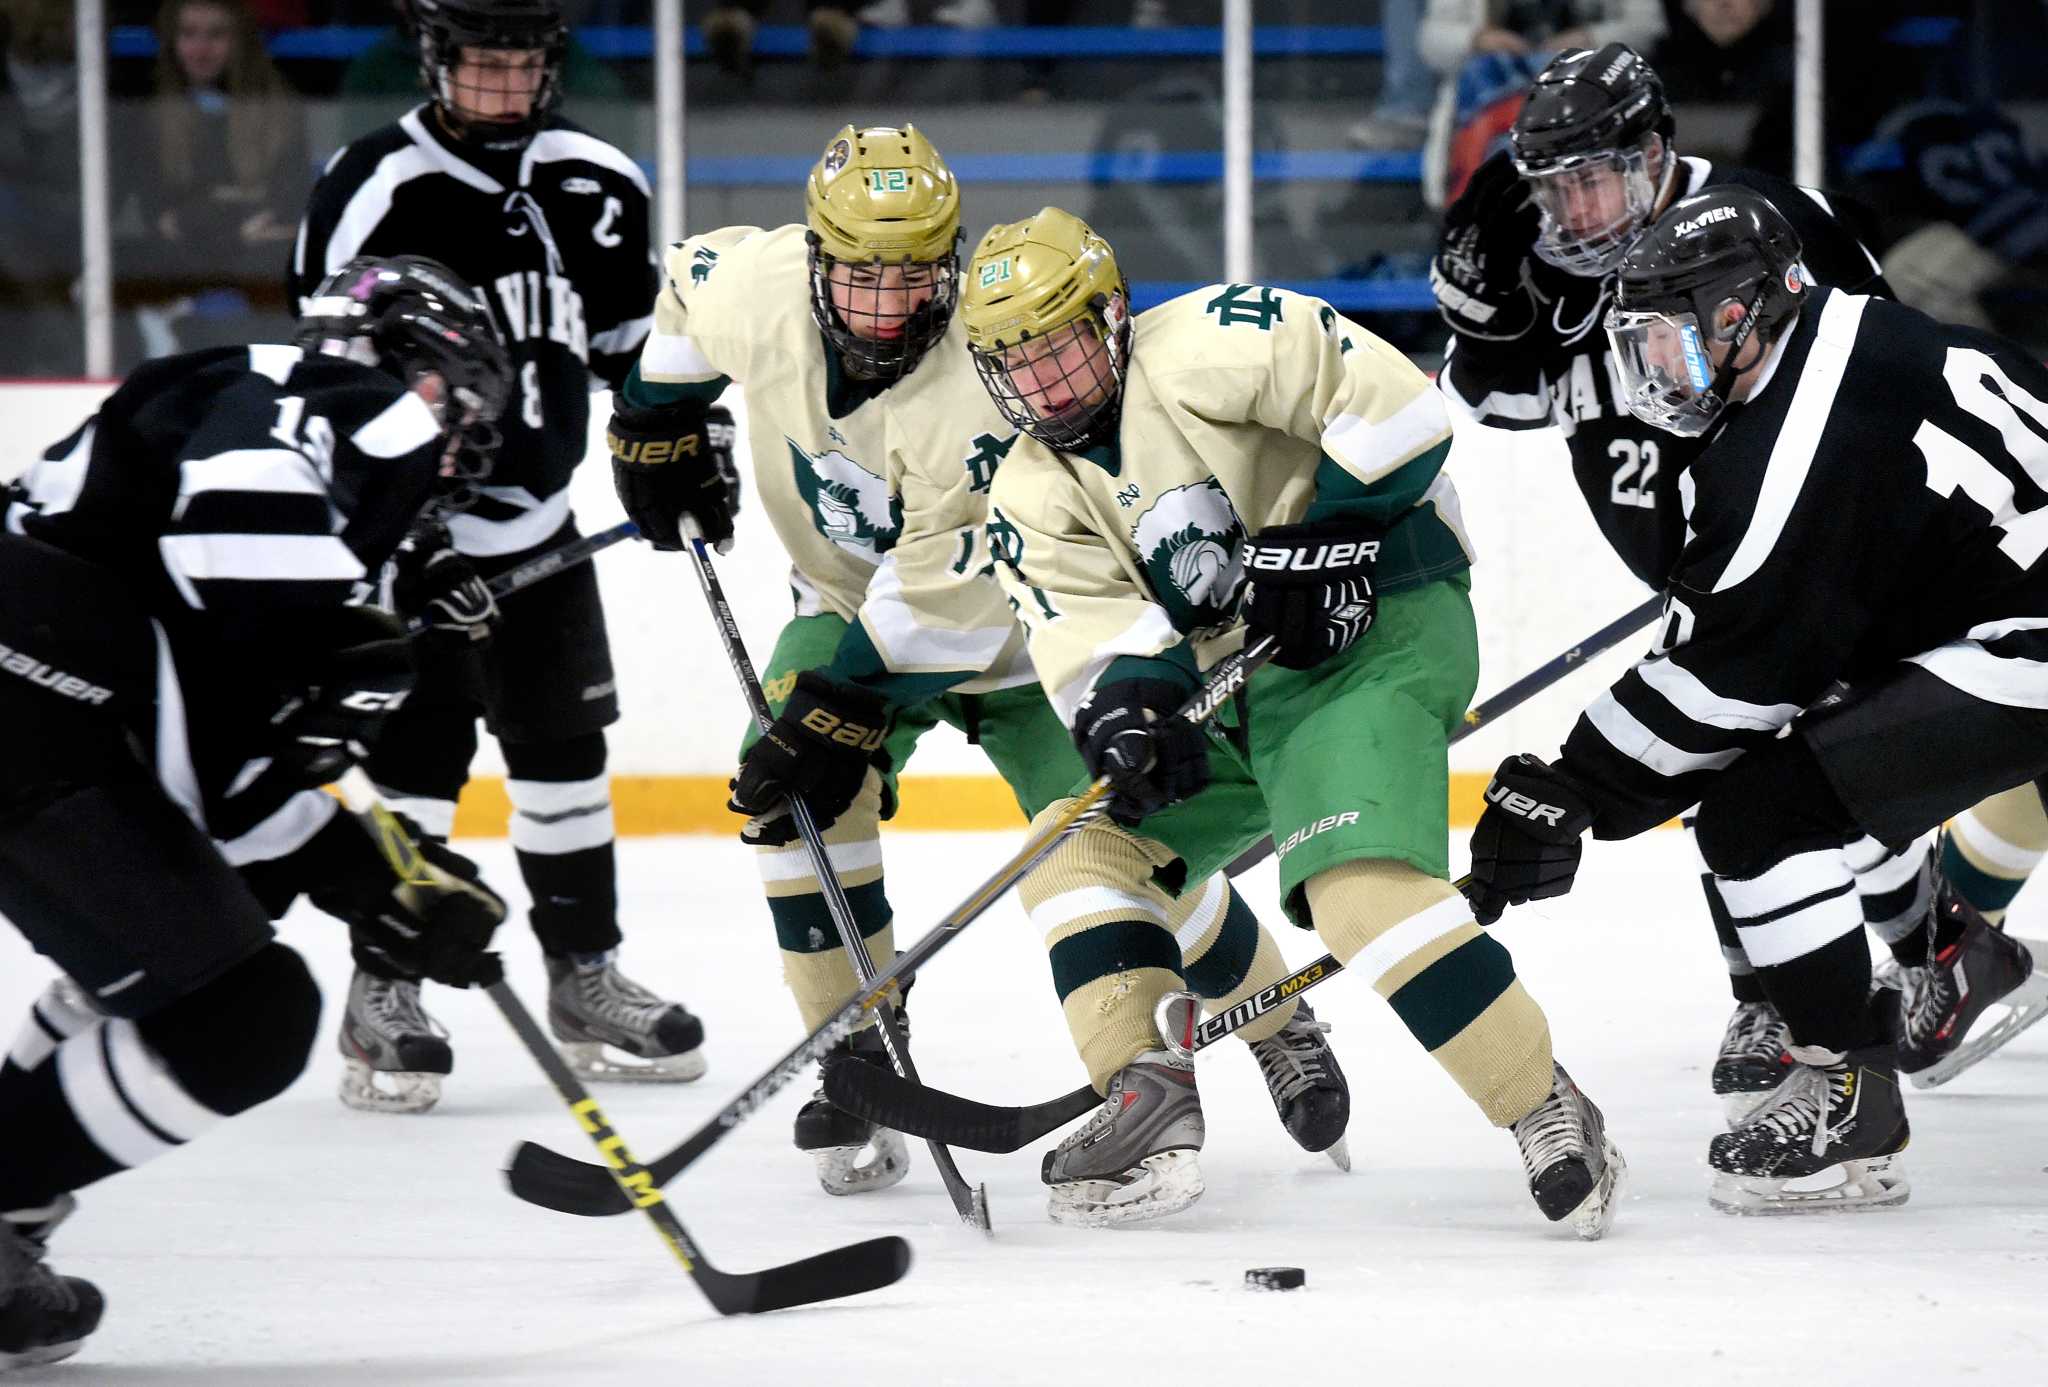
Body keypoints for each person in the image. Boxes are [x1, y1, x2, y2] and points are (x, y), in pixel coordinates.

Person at [607, 124, 1351, 1217]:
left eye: (914, 274)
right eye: (858, 273)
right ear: (814, 259)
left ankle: (1263, 1019)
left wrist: (844, 698)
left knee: (1112, 846)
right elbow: (682, 293)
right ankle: (855, 1040)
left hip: (1020, 629)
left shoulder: (992, 371)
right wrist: (653, 415)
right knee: (784, 795)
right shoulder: (754, 284)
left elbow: (954, 580)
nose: (885, 303)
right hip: (844, 608)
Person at [962, 205, 1625, 1237]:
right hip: (1230, 687)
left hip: (1374, 630)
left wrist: (1332, 536)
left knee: (1355, 893)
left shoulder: (1220, 336)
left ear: (1111, 314)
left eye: (1058, 348)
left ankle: (1541, 1099)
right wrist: (1132, 715)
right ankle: (1146, 1091)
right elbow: (1098, 644)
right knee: (1070, 848)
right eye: (1017, 366)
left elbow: (1399, 412)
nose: (1045, 385)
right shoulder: (1023, 496)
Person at [1463, 186, 2048, 1213]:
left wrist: (1571, 790)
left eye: (1662, 339)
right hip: (2008, 615)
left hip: (2029, 642)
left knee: (1762, 813)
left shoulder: (1789, 445)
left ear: (1739, 314)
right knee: (1824, 746)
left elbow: (1725, 687)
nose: (1649, 371)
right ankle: (1948, 956)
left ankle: (1847, 1093)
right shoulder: (1845, 333)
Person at [0, 256, 512, 1369]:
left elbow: (223, 783)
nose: (448, 462)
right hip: (29, 697)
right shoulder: (342, 405)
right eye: (463, 422)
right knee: (245, 1017)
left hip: (47, 708)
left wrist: (381, 871)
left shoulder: (219, 445)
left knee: (202, 982)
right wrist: (323, 637)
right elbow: (248, 526)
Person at [1427, 42, 1923, 1121]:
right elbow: (1506, 405)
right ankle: (1933, 956)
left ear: (1654, 154)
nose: (1572, 207)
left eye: (1591, 177)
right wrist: (1482, 315)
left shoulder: (1759, 218)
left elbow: (1874, 363)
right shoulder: (1550, 253)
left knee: (1774, 773)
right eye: (1550, 185)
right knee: (1741, 774)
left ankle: (1839, 981)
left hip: (1796, 556)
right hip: (1689, 560)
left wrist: (1814, 546)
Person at [289, 0, 702, 1112]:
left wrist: (674, 445)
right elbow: (330, 378)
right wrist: (410, 540)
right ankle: (383, 992)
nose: (504, 87)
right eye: (482, 65)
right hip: (408, 540)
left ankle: (584, 976)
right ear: (434, 60)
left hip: (540, 527)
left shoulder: (597, 180)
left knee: (563, 749)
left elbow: (634, 350)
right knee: (420, 765)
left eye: (522, 65)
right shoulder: (374, 183)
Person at [135, 0, 306, 345]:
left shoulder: (278, 107)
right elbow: (159, 216)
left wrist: (203, 214)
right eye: (188, 34)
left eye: (216, 35)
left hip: (257, 257)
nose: (201, 49)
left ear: (239, 40)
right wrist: (235, 218)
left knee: (277, 261)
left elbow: (288, 198)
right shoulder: (150, 114)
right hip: (186, 256)